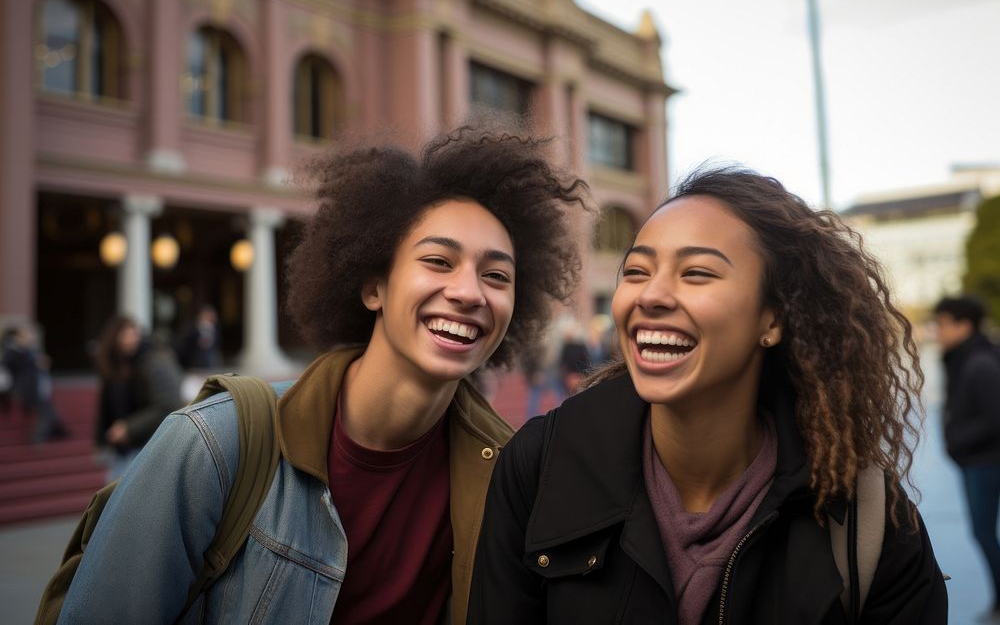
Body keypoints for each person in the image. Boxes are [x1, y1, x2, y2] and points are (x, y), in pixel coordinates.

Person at [58, 126, 588, 624]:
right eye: (438, 261)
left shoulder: (507, 477)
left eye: (496, 276)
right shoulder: (214, 446)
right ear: (373, 287)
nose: (470, 292)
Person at [470, 166, 947, 624]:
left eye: (697, 273)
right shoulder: (539, 465)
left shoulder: (866, 519)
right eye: (636, 271)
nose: (650, 295)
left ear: (773, 319)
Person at [934, 295, 1000, 621]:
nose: (938, 331)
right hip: (977, 461)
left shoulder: (978, 363)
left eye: (944, 324)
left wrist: (956, 440)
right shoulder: (964, 357)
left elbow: (995, 418)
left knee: (984, 532)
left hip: (985, 463)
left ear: (965, 325)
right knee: (984, 532)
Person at [94, 315, 184, 481]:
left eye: (134, 332)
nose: (130, 338)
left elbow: (167, 404)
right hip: (122, 447)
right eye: (125, 333)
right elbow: (106, 406)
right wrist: (101, 441)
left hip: (147, 444)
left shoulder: (154, 360)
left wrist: (129, 427)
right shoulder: (115, 366)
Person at [0, 323, 67, 442]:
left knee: (49, 411)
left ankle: (58, 432)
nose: (30, 339)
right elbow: (7, 371)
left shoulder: (31, 351)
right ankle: (38, 437)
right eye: (26, 336)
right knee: (47, 412)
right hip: (25, 389)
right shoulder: (13, 352)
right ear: (18, 338)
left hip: (38, 387)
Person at [174, 304, 222, 370]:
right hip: (194, 364)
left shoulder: (215, 329)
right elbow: (184, 346)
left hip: (210, 364)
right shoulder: (191, 328)